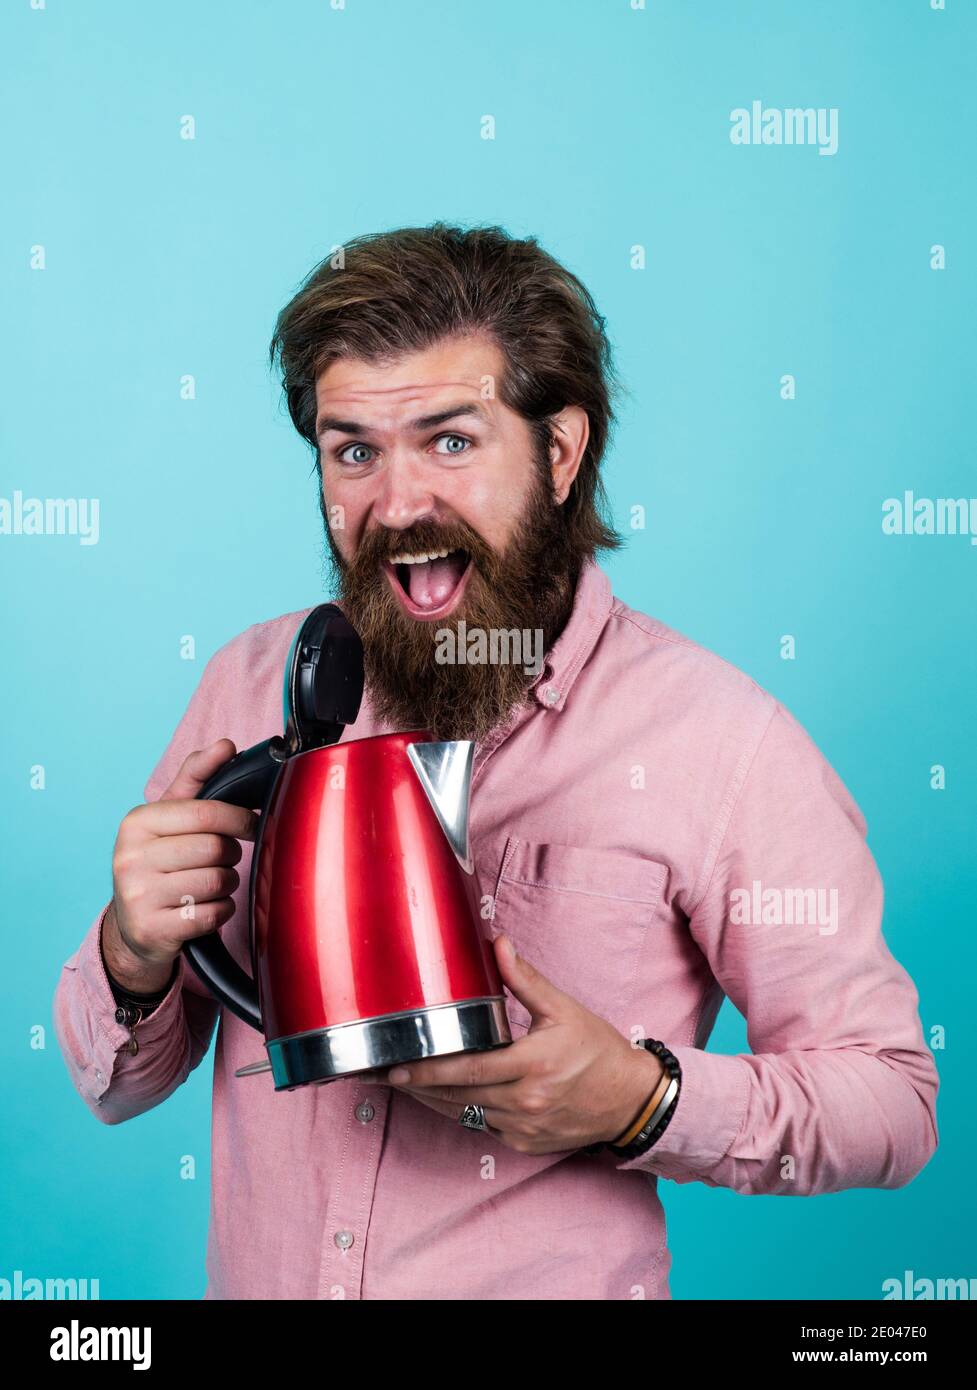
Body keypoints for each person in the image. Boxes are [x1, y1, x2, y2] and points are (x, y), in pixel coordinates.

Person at [53, 223, 939, 1301]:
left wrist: (641, 1100)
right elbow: (116, 1086)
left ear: (559, 453)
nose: (398, 503)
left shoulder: (720, 741)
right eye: (353, 451)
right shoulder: (250, 681)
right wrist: (133, 947)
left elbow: (891, 1103)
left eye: (451, 442)